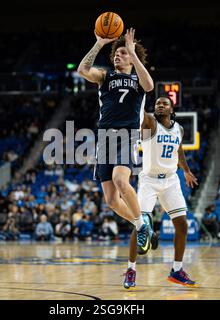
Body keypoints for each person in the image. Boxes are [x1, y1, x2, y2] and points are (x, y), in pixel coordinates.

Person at [77, 28, 154, 254]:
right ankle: (142, 225)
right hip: (105, 138)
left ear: (132, 56)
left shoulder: (138, 79)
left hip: (127, 135)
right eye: (117, 53)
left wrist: (133, 52)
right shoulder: (105, 75)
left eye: (123, 53)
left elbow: (149, 85)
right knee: (111, 201)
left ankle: (141, 226)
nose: (118, 56)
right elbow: (82, 70)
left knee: (121, 181)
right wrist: (99, 43)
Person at [123, 97, 199, 290]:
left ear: (171, 109)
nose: (160, 106)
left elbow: (179, 151)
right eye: (157, 104)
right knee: (138, 225)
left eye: (164, 104)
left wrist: (187, 171)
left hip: (171, 180)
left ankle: (177, 270)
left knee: (182, 225)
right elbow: (140, 114)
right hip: (149, 180)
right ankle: (131, 270)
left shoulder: (179, 129)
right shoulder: (149, 123)